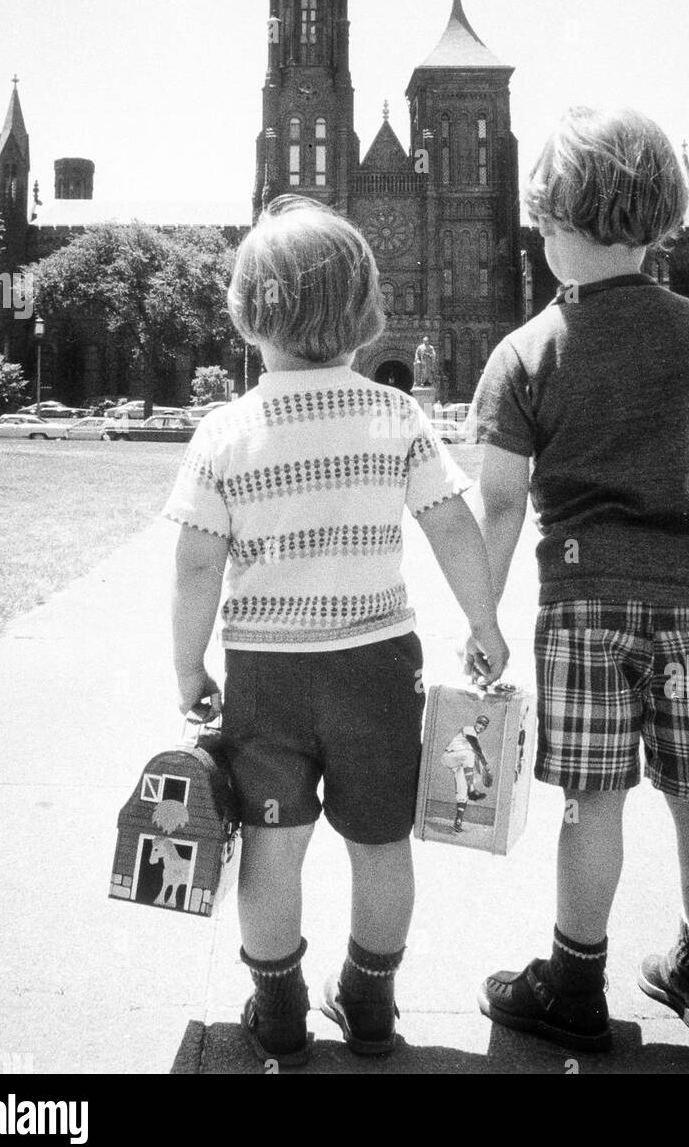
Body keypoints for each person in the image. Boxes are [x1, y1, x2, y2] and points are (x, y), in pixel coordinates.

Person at [163, 196, 508, 1066]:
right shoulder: (396, 415)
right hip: (376, 668)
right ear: (368, 314)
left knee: (272, 852)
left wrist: (187, 671)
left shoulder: (225, 432)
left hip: (267, 676)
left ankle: (276, 1009)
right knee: (382, 845)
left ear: (248, 313)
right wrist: (482, 621)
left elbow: (197, 567)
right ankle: (369, 998)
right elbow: (451, 525)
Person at [471, 106, 689, 1053]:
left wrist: (480, 613)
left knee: (593, 797)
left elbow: (503, 503)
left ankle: (574, 980)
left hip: (584, 605)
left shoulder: (525, 351)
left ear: (552, 223)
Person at [441, 714, 494, 832]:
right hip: (449, 757)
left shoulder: (475, 737)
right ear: (476, 722)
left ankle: (458, 822)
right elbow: (476, 748)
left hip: (460, 764)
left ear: (485, 728)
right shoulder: (468, 729)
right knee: (469, 754)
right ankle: (472, 789)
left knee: (462, 792)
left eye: (483, 725)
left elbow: (474, 760)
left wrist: (481, 773)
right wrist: (487, 767)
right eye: (479, 723)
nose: (480, 726)